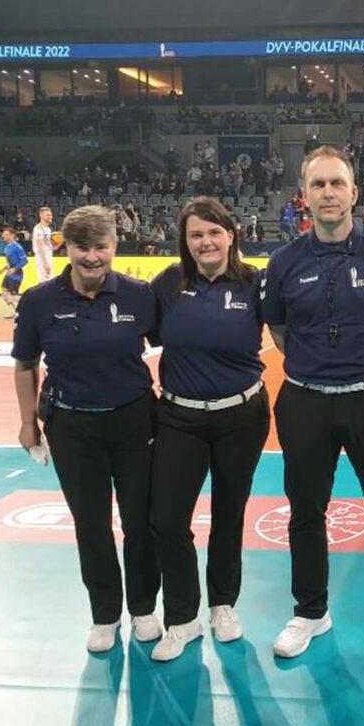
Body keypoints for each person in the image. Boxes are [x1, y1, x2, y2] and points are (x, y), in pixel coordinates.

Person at [262, 146, 364, 667]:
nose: (328, 193)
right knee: (306, 512)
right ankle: (311, 611)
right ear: (303, 196)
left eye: (337, 184)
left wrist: (361, 366)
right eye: (318, 185)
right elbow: (280, 332)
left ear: (354, 192)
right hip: (304, 401)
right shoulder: (284, 263)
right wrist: (320, 368)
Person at [11, 205, 161, 653]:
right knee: (91, 526)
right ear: (66, 247)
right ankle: (104, 615)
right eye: (82, 247)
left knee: (142, 522)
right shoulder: (39, 301)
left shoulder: (139, 295)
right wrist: (26, 423)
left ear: (115, 245)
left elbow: (178, 345)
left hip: (135, 424)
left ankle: (142, 608)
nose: (92, 257)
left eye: (101, 246)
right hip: (72, 428)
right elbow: (24, 365)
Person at [147, 197, 272, 661]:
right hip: (179, 418)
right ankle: (182, 618)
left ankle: (223, 604)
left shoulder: (253, 283)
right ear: (185, 241)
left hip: (242, 416)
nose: (205, 242)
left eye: (213, 232)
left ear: (231, 235)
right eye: (196, 235)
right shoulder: (167, 286)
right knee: (167, 521)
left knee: (229, 514)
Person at [0, 226, 28, 317]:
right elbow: (10, 261)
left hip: (16, 275)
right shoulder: (7, 247)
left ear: (12, 236)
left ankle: (31, 302)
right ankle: (14, 312)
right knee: (4, 293)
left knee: (13, 296)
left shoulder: (17, 247)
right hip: (9, 274)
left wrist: (14, 269)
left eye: (6, 234)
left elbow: (25, 261)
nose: (4, 236)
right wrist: (4, 268)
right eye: (4, 234)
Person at [32, 206, 55, 283]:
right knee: (44, 281)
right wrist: (45, 263)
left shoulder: (48, 229)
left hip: (48, 256)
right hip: (42, 258)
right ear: (41, 216)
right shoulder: (39, 229)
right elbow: (40, 247)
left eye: (50, 215)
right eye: (47, 215)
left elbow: (51, 247)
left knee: (49, 280)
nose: (50, 217)